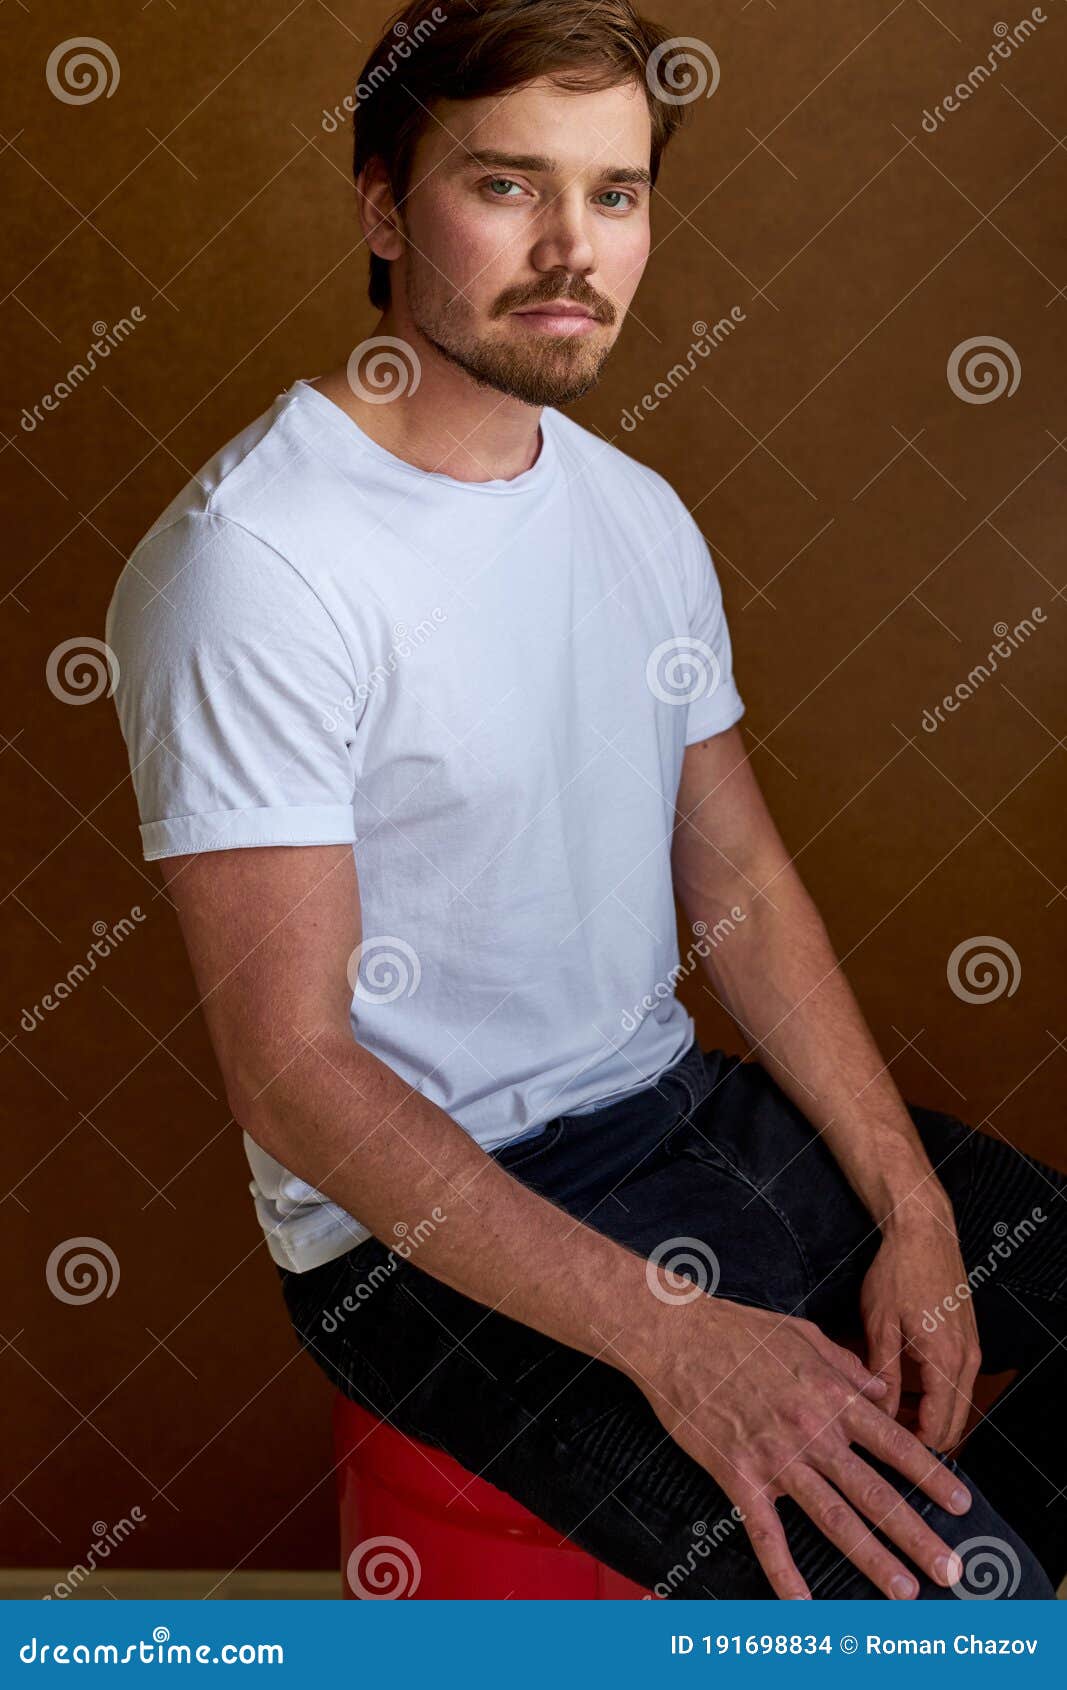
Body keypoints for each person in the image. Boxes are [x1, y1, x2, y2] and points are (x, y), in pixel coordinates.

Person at [105, 0, 1065, 1600]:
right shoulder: (257, 563)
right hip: (421, 1237)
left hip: (675, 1110)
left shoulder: (636, 516)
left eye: (614, 193)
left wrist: (911, 1206)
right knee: (964, 1609)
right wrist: (678, 1338)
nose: (574, 248)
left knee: (986, 1532)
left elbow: (739, 881)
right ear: (381, 207)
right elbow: (295, 1073)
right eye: (507, 185)